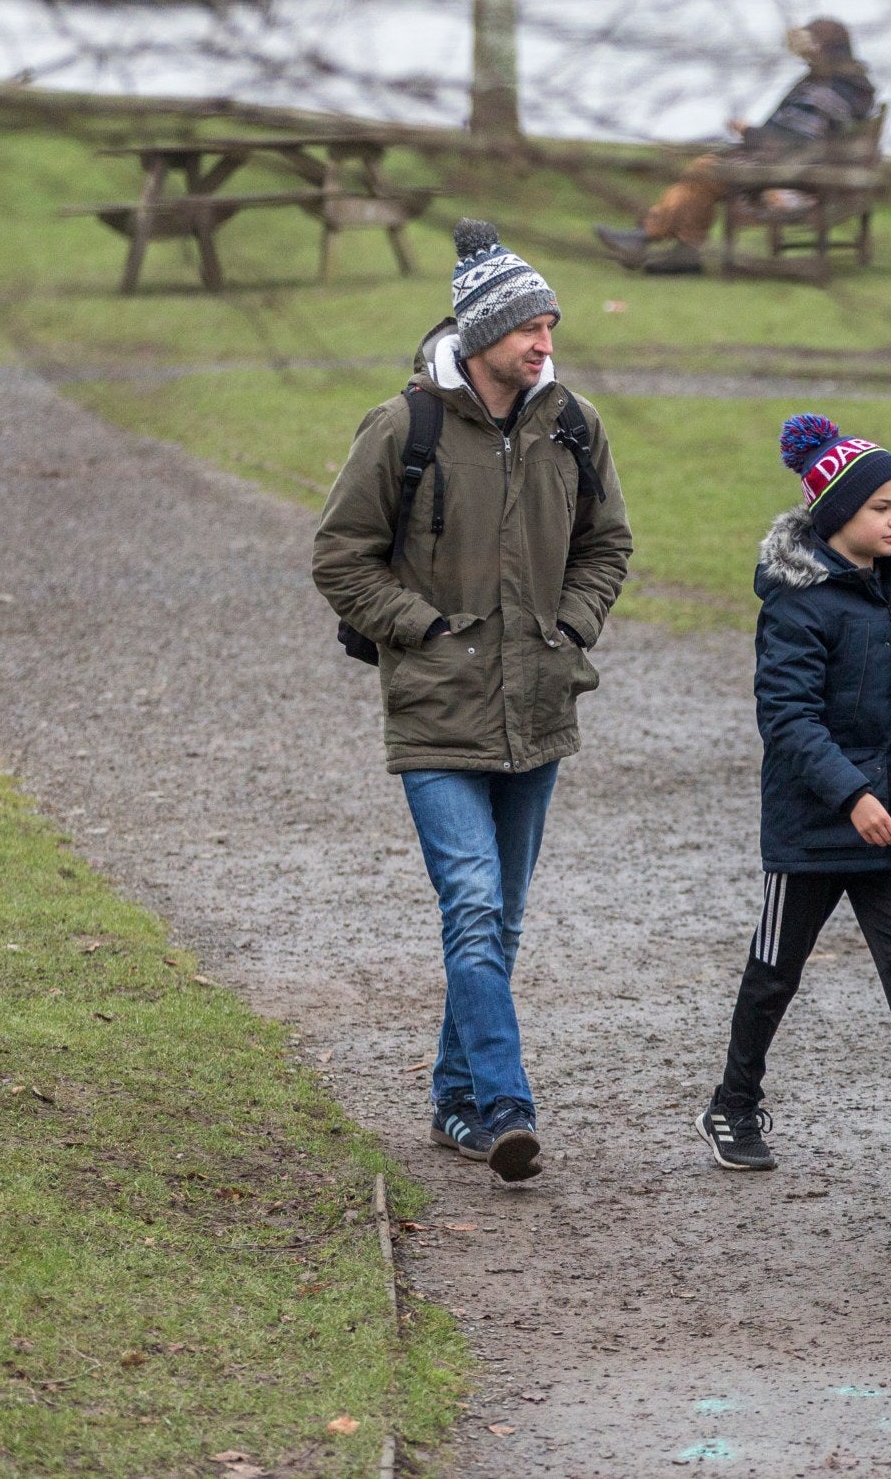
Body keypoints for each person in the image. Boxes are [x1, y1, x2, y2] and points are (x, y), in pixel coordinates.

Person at [314, 219, 633, 1184]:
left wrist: (569, 627)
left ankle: (454, 1099)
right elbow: (340, 556)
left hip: (539, 706)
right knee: (473, 905)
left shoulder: (571, 424)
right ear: (482, 330)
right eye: (529, 326)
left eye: (552, 327)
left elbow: (607, 545)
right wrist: (420, 628)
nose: (545, 343)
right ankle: (504, 1102)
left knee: (500, 920)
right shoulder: (401, 428)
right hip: (437, 714)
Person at [699, 415, 891, 1175]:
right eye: (881, 508)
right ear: (837, 518)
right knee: (774, 972)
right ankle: (731, 1106)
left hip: (890, 820)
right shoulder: (797, 604)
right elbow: (787, 721)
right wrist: (852, 796)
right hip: (815, 827)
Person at [595, 18, 877, 275]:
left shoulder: (828, 90)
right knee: (703, 170)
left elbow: (795, 142)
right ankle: (671, 247)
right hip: (801, 168)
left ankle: (654, 239)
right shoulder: (850, 86)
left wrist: (750, 132)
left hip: (797, 176)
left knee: (705, 170)